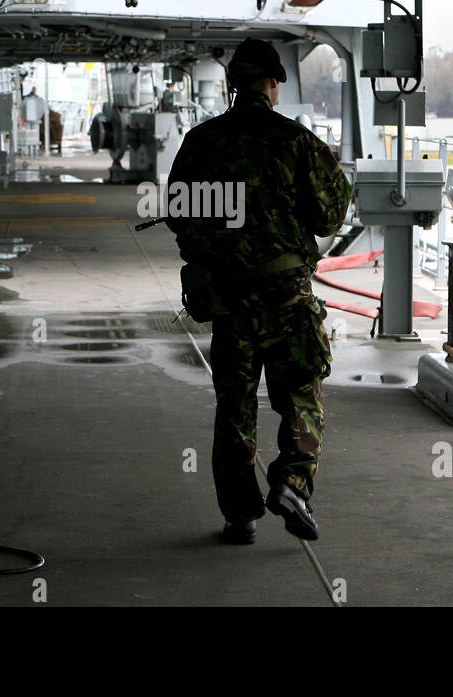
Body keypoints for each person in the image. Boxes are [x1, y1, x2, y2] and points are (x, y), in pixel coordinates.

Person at [167, 38, 352, 544]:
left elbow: (180, 217)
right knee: (301, 394)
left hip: (230, 300)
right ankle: (292, 482)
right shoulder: (298, 142)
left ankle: (240, 514)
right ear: (273, 84)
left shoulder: (201, 143)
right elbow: (331, 215)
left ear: (232, 85)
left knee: (235, 406)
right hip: (288, 297)